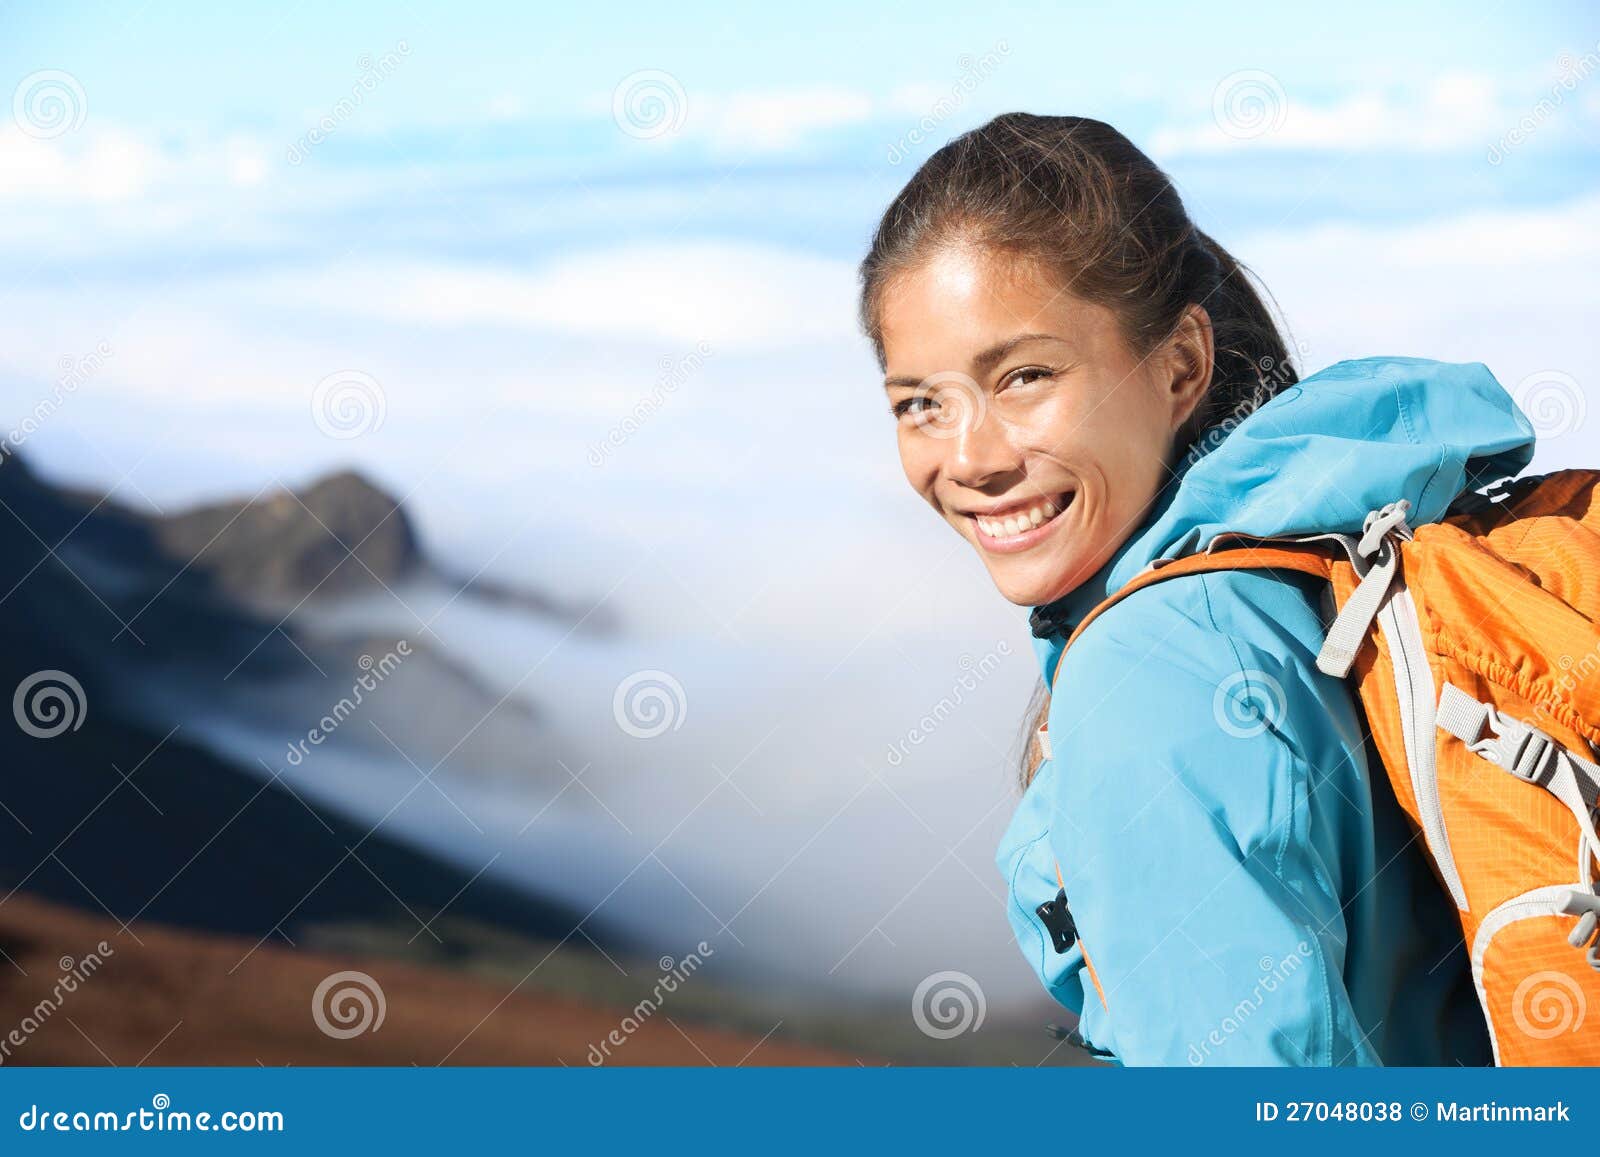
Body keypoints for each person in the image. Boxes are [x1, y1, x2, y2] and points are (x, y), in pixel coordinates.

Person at [858, 113, 1526, 1065]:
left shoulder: (1156, 669)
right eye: (921, 402)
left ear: (1181, 365)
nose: (970, 459)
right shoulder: (1340, 536)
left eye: (1025, 377)